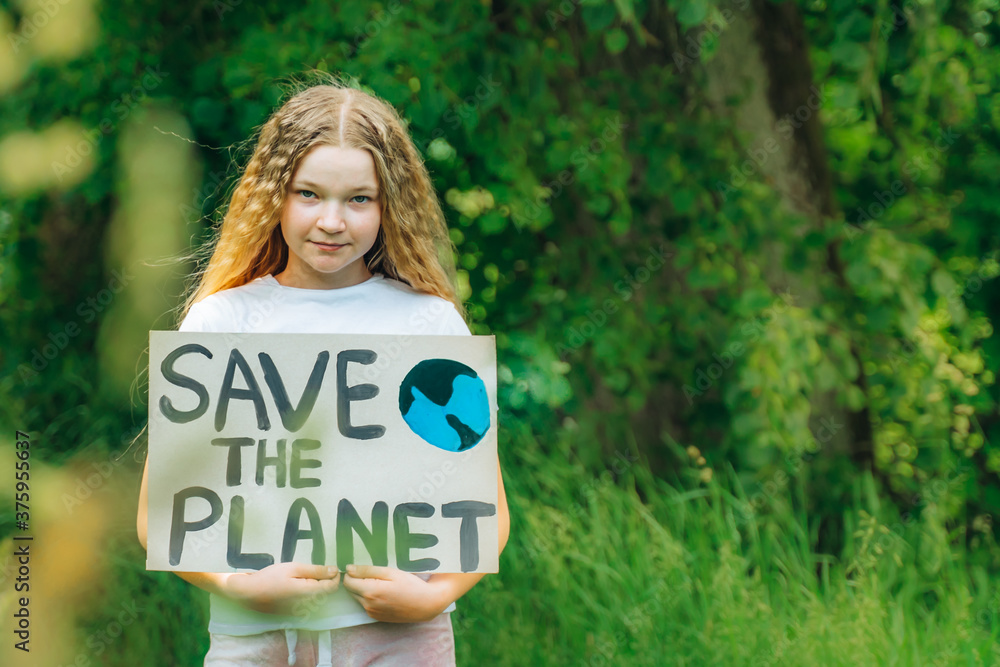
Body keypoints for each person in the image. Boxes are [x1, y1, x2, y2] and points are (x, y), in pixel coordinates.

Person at [136, 76, 511, 667]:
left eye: (358, 199)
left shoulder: (430, 326)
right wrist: (238, 585)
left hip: (401, 639)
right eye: (308, 193)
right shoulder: (221, 321)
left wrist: (433, 596)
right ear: (273, 196)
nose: (332, 221)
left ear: (390, 205)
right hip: (254, 637)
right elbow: (161, 515)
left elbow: (486, 509)